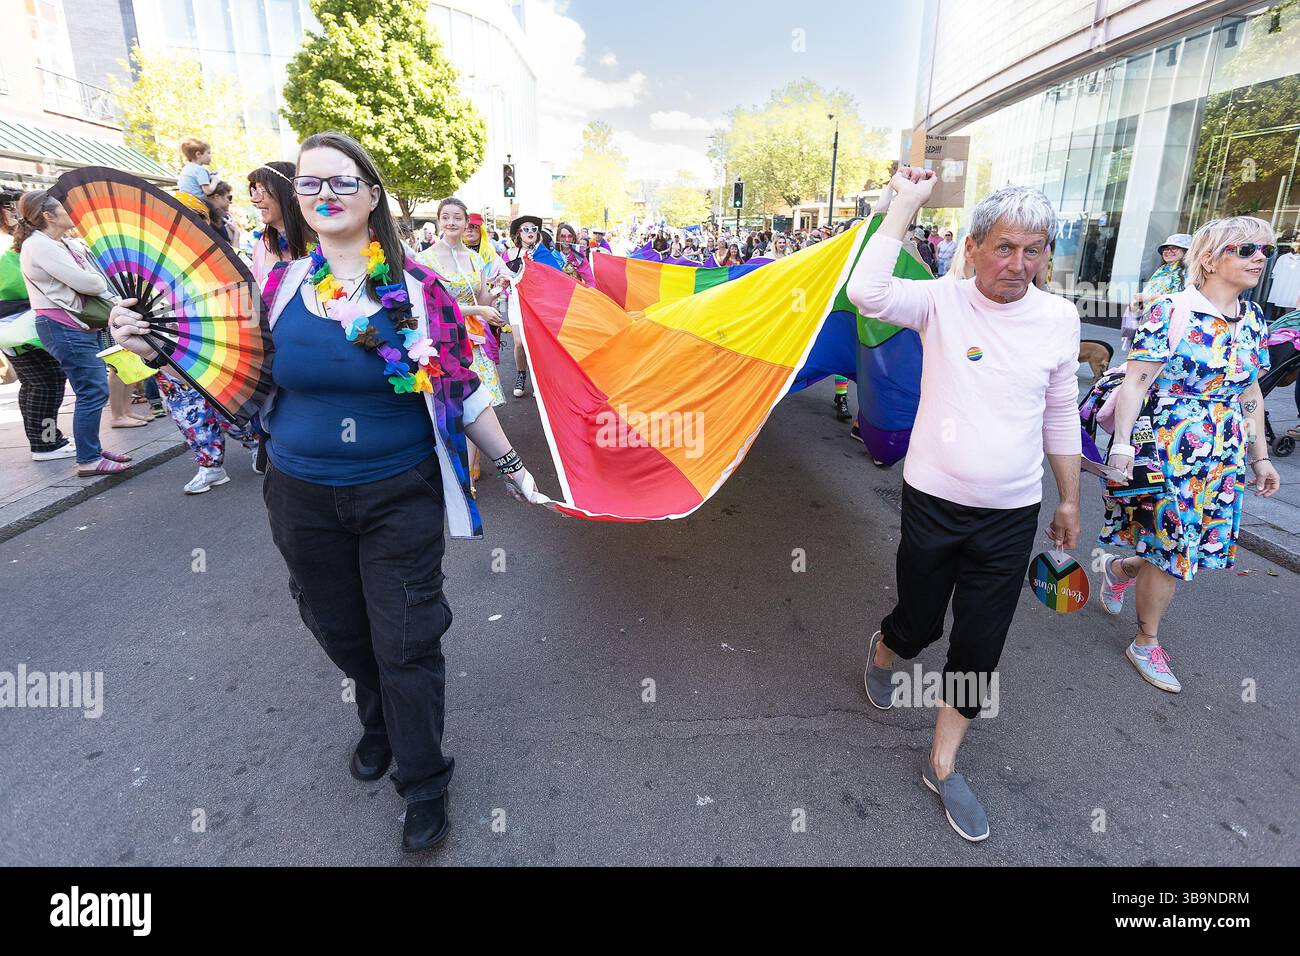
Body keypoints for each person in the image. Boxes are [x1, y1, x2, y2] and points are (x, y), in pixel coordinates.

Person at [110, 130, 546, 853]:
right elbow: (232, 376)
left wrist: (511, 469)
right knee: (338, 626)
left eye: (342, 182)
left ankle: (425, 777)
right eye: (310, 184)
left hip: (397, 493)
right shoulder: (277, 287)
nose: (325, 194)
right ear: (298, 198)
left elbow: (461, 390)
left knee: (406, 636)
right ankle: (376, 720)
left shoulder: (419, 289)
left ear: (372, 195)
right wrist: (153, 347)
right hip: (301, 495)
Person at [847, 169, 1082, 843]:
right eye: (1004, 247)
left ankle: (942, 763)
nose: (1018, 264)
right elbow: (866, 291)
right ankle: (887, 651)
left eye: (1033, 249)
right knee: (920, 623)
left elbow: (1061, 413)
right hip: (933, 501)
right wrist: (904, 205)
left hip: (1012, 513)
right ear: (974, 247)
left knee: (980, 643)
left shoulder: (1059, 318)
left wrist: (1068, 498)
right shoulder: (942, 302)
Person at [1096, 217, 1280, 694]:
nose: (1259, 256)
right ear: (1210, 257)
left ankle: (1120, 570)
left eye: (1264, 249)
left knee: (1183, 549)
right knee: (1174, 548)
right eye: (1245, 249)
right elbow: (1136, 381)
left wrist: (1261, 457)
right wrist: (1119, 446)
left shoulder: (1256, 319)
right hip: (1165, 446)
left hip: (1221, 454)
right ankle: (1145, 640)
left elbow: (1251, 392)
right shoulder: (1171, 311)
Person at [16, 190, 132, 475]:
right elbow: (89, 283)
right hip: (64, 326)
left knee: (92, 388)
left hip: (75, 323)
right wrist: (96, 279)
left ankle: (89, 448)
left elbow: (95, 273)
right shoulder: (39, 246)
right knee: (92, 389)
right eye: (63, 209)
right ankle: (89, 459)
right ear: (48, 216)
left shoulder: (60, 243)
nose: (71, 212)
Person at [416, 197, 507, 489]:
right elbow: (433, 307)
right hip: (444, 340)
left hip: (475, 342)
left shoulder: (475, 258)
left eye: (458, 217)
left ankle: (469, 470)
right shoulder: (425, 259)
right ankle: (450, 467)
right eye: (446, 217)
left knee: (476, 403)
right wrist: (480, 310)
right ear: (440, 221)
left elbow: (481, 298)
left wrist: (497, 292)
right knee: (449, 404)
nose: (452, 222)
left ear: (467, 223)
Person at [0, 202, 74, 459]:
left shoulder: (10, 245)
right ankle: (46, 443)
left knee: (35, 383)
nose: (11, 211)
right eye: (6, 207)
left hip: (15, 328)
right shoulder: (7, 248)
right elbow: (24, 285)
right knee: (47, 382)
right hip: (19, 326)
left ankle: (44, 439)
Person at [502, 214, 563, 398]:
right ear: (519, 233)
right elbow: (501, 279)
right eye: (526, 229)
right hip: (516, 303)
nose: (530, 232)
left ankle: (538, 380)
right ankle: (521, 374)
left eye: (533, 229)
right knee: (519, 342)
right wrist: (506, 286)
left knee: (537, 343)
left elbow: (556, 277)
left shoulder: (543, 253)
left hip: (538, 305)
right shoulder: (509, 254)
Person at [176, 137, 220, 220]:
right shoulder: (200, 170)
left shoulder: (186, 168)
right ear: (198, 154)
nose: (210, 156)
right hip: (197, 202)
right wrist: (215, 180)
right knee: (217, 213)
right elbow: (208, 190)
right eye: (208, 153)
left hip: (185, 201)